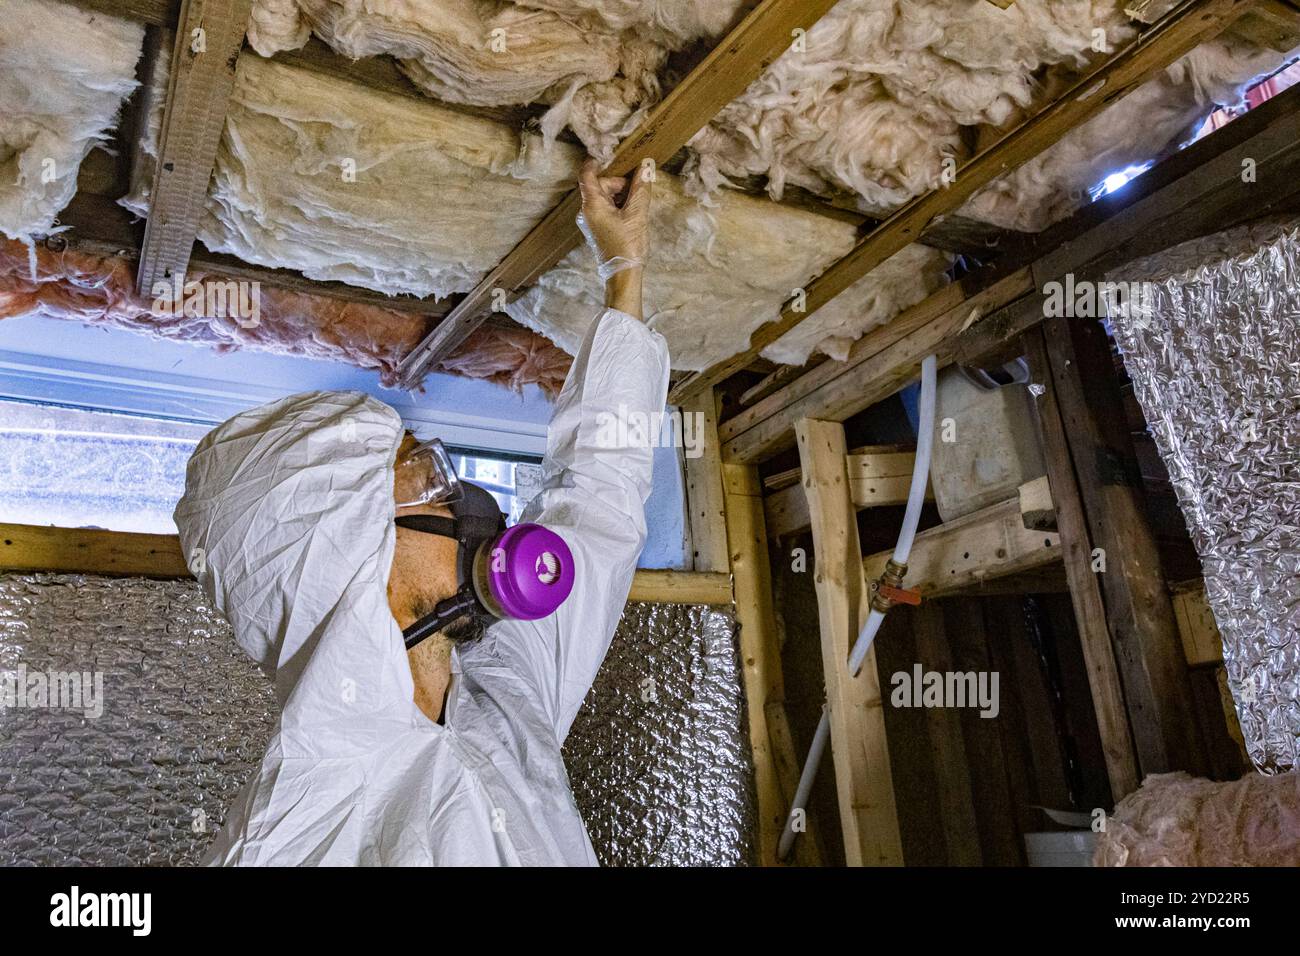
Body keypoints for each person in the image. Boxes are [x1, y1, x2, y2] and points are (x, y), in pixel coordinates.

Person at [174, 159, 667, 865]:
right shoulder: (296, 841)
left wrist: (625, 270)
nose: (460, 497)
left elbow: (598, 498)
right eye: (426, 476)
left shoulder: (497, 691)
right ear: (351, 549)